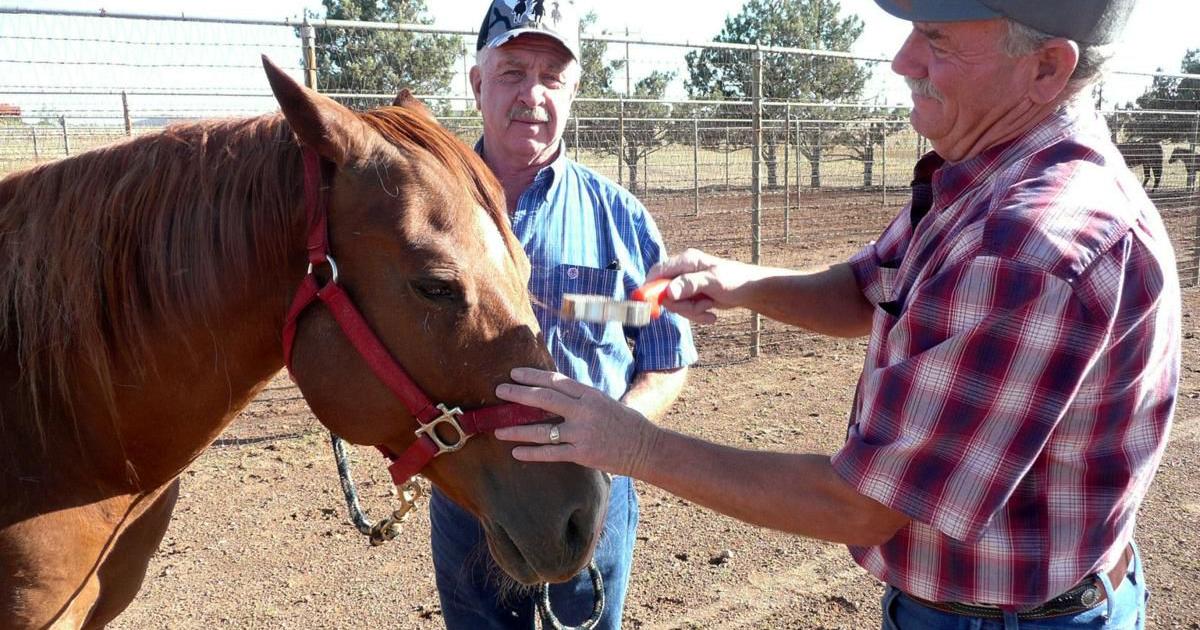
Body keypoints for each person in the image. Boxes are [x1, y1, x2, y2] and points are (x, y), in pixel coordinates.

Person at [495, 1, 1179, 628]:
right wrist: (746, 284)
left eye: (936, 40)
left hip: (1006, 618)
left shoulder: (1028, 246)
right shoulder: (982, 174)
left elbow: (860, 505)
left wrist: (633, 444)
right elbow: (868, 288)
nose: (903, 61)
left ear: (1046, 67)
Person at [429, 1, 697, 628]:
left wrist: (613, 445)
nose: (533, 94)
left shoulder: (620, 221)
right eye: (512, 71)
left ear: (574, 91)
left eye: (552, 76)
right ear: (476, 84)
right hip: (472, 497)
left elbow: (664, 356)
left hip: (588, 496)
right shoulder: (432, 218)